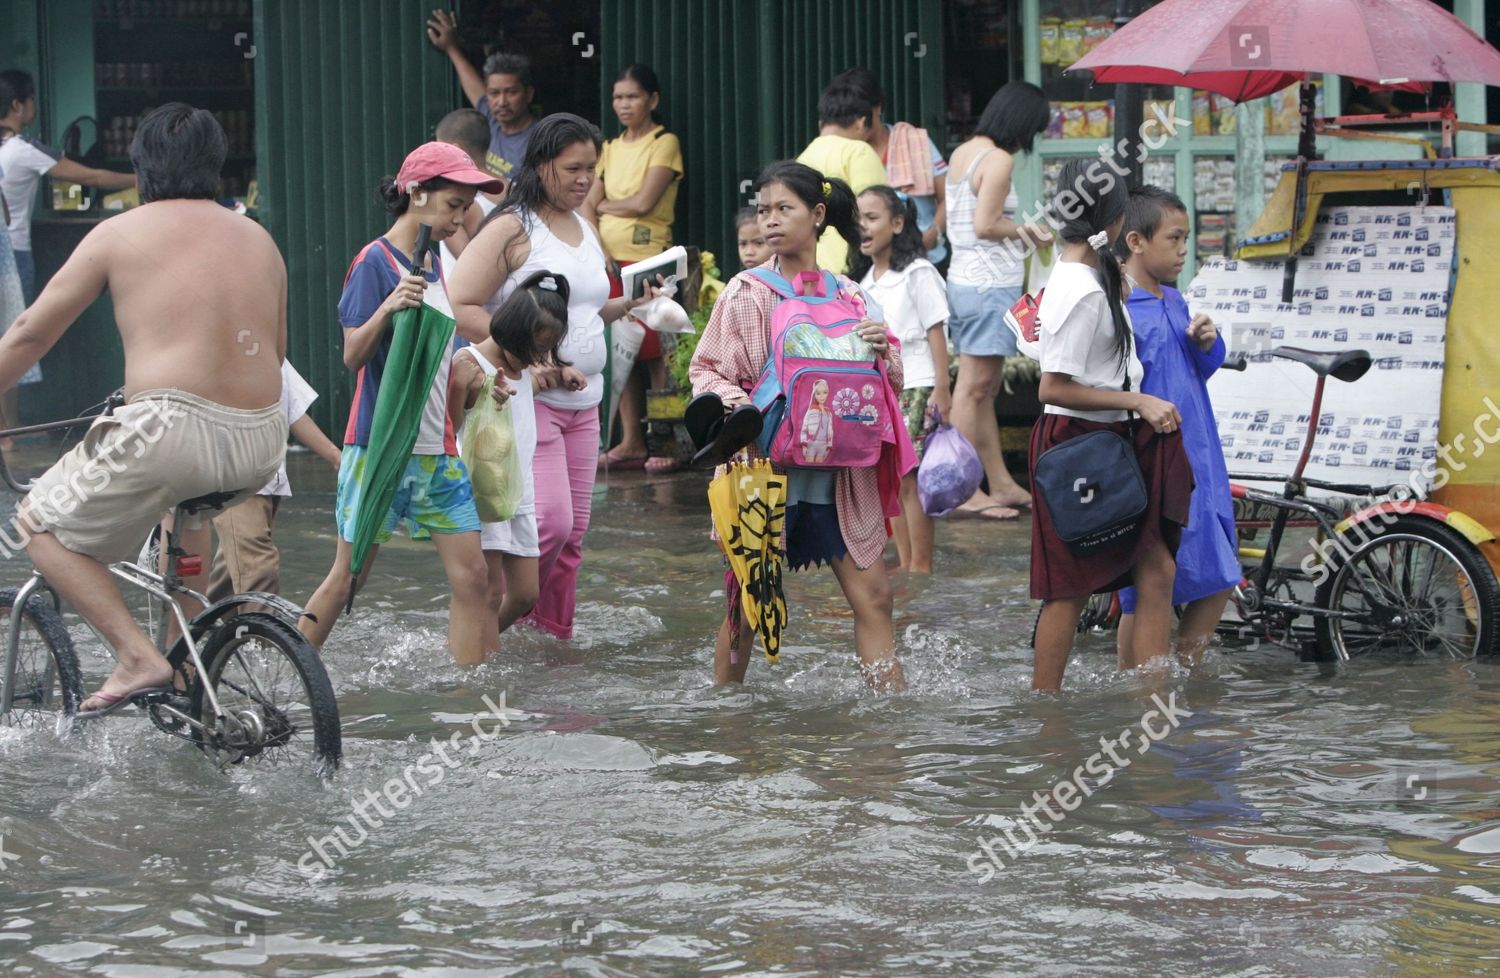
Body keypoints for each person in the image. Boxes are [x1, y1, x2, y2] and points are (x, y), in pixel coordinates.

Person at [0, 103, 287, 715]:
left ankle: (137, 656)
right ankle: (186, 676)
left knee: (33, 524)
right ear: (215, 166)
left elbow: (28, 334)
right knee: (187, 524)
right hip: (263, 436)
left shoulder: (117, 232)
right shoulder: (259, 238)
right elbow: (277, 353)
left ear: (141, 167)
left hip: (167, 428)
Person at [690, 161, 908, 690]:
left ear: (816, 215)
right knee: (748, 602)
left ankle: (890, 722)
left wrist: (885, 352)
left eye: (784, 209)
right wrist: (737, 405)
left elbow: (890, 386)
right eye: (763, 210)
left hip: (839, 479)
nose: (770, 221)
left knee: (875, 596)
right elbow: (707, 370)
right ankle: (727, 714)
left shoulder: (853, 296)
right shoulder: (747, 292)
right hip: (765, 471)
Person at [449, 113, 660, 641]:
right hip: (528, 398)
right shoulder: (511, 226)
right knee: (550, 524)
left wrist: (631, 301)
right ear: (540, 166)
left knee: (574, 537)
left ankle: (552, 638)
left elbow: (585, 312)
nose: (585, 179)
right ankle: (491, 629)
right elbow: (462, 304)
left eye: (592, 168)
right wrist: (533, 361)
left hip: (583, 407)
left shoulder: (585, 228)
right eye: (573, 168)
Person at [298, 141, 504, 667]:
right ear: (416, 193)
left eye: (465, 206)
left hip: (438, 446)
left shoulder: (433, 262)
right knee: (348, 577)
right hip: (379, 445)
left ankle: (469, 690)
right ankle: (290, 671)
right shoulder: (374, 261)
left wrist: (484, 374)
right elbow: (352, 354)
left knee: (474, 577)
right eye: (454, 203)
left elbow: (442, 352)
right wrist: (389, 306)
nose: (462, 216)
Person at [1029, 159, 1191, 692]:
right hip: (1078, 444)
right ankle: (1047, 707)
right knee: (1070, 588)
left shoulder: (1086, 274)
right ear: (1116, 219)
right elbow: (1051, 387)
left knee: (1156, 570)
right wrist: (1138, 400)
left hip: (1102, 440)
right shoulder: (1080, 287)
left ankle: (1150, 694)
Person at [1114, 186, 1237, 663]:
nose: (1185, 250)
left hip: (1199, 452)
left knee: (1218, 568)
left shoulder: (1174, 299)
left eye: (1187, 239)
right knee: (1144, 587)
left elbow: (1201, 368)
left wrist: (1207, 342)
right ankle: (1145, 681)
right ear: (1137, 241)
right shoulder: (1120, 307)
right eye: (1175, 239)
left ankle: (1180, 669)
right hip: (1153, 456)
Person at [946, 81, 1054, 519]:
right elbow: (986, 224)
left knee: (984, 389)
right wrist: (1033, 232)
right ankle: (960, 488)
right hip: (988, 284)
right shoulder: (1000, 159)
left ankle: (1002, 483)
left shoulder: (963, 152)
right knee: (973, 387)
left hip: (967, 281)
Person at [450, 271, 569, 652]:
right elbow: (452, 426)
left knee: (524, 595)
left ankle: (468, 646)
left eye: (545, 351)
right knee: (487, 591)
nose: (537, 359)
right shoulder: (469, 362)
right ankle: (480, 662)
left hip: (519, 490)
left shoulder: (522, 370)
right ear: (510, 330)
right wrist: (477, 394)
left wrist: (564, 373)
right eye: (534, 348)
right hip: (483, 488)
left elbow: (526, 391)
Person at [583, 64, 685, 474]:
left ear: (653, 101)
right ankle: (630, 443)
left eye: (633, 96)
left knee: (657, 353)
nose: (624, 105)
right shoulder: (607, 147)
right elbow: (588, 205)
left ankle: (665, 442)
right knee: (620, 351)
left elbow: (644, 202)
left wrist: (604, 206)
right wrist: (600, 238)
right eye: (618, 97)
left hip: (651, 260)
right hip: (608, 259)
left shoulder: (665, 142)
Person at [851, 186, 951, 573]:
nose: (863, 226)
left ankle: (920, 566)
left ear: (897, 223)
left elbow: (935, 330)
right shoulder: (863, 282)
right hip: (882, 391)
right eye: (858, 218)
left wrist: (942, 388)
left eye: (872, 218)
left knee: (912, 480)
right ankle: (908, 563)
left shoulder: (918, 272)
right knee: (892, 481)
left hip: (918, 383)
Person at [207, 359, 341, 601]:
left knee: (231, 570)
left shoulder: (268, 348)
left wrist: (335, 456)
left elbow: (293, 411)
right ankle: (258, 637)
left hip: (269, 479)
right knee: (258, 569)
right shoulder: (217, 344)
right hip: (234, 478)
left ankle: (194, 628)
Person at [0, 70, 137, 304]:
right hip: (12, 252)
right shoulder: (24, 149)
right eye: (31, 98)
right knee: (13, 332)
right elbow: (93, 178)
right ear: (17, 105)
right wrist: (138, 181)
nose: (34, 103)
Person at [832, 67, 949, 266]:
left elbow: (947, 196)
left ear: (877, 107)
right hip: (869, 263)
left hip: (925, 257)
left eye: (859, 114)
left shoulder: (915, 141)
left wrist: (932, 234)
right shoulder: (844, 153)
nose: (856, 123)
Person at [424, 12, 536, 181]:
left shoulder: (539, 141)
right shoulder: (491, 118)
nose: (502, 102)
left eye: (511, 92)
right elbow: (473, 85)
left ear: (528, 94)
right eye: (494, 93)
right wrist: (451, 48)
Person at [796, 82, 886, 274]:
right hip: (853, 269)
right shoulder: (859, 151)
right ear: (862, 122)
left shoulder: (801, 161)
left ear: (821, 123)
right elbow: (876, 213)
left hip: (812, 271)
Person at [435, 107, 505, 242]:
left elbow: (466, 260)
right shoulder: (516, 187)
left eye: (442, 148)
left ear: (457, 149)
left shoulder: (453, 197)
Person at [735, 206, 771, 270]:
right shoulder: (738, 279)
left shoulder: (789, 278)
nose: (749, 252)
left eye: (759, 243)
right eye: (743, 244)